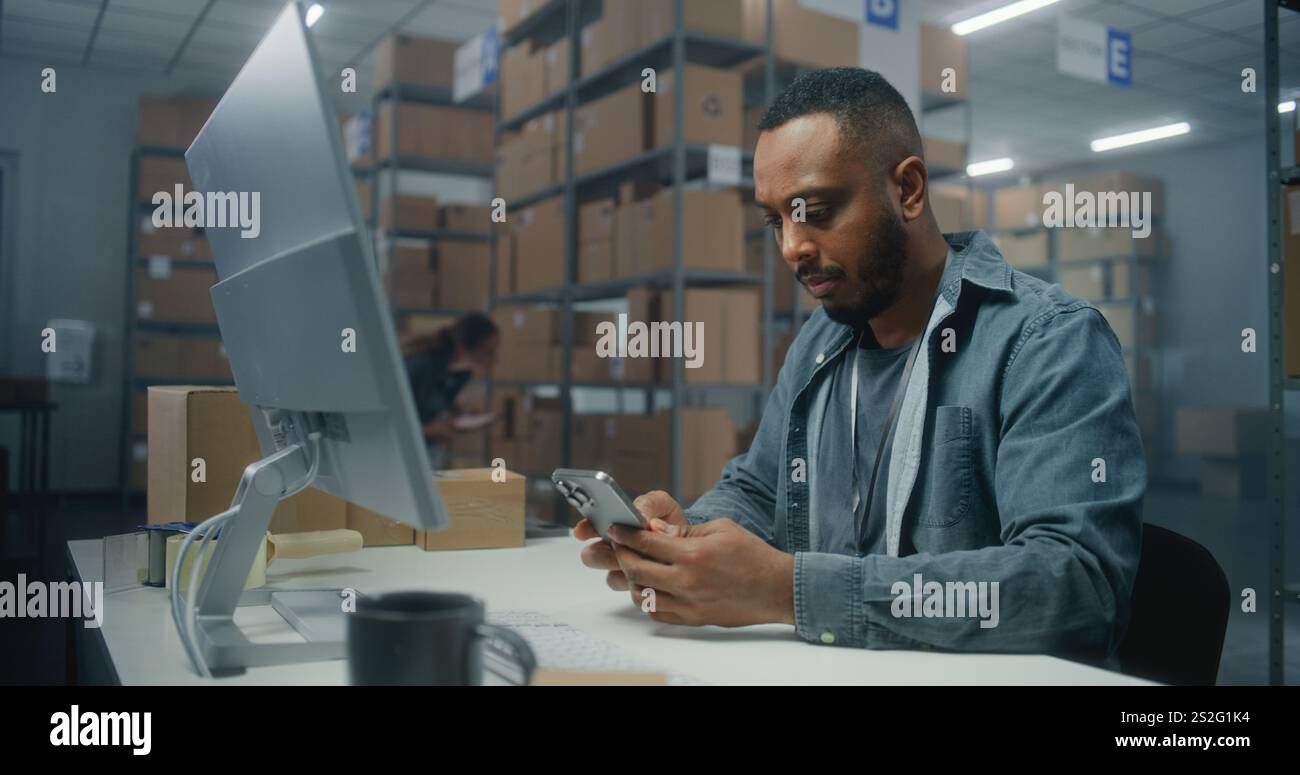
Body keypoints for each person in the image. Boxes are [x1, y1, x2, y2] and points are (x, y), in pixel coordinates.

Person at [573, 67, 1145, 667]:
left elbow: (1076, 588)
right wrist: (682, 538)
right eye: (776, 220)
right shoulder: (822, 337)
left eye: (815, 210)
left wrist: (782, 591)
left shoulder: (1049, 341)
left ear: (909, 190)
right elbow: (762, 488)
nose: (792, 246)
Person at [403, 312, 499, 469]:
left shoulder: (461, 373)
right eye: (488, 351)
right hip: (405, 454)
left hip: (431, 453)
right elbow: (394, 423)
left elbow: (438, 405)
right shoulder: (419, 365)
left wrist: (459, 413)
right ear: (463, 348)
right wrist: (429, 430)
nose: (494, 359)